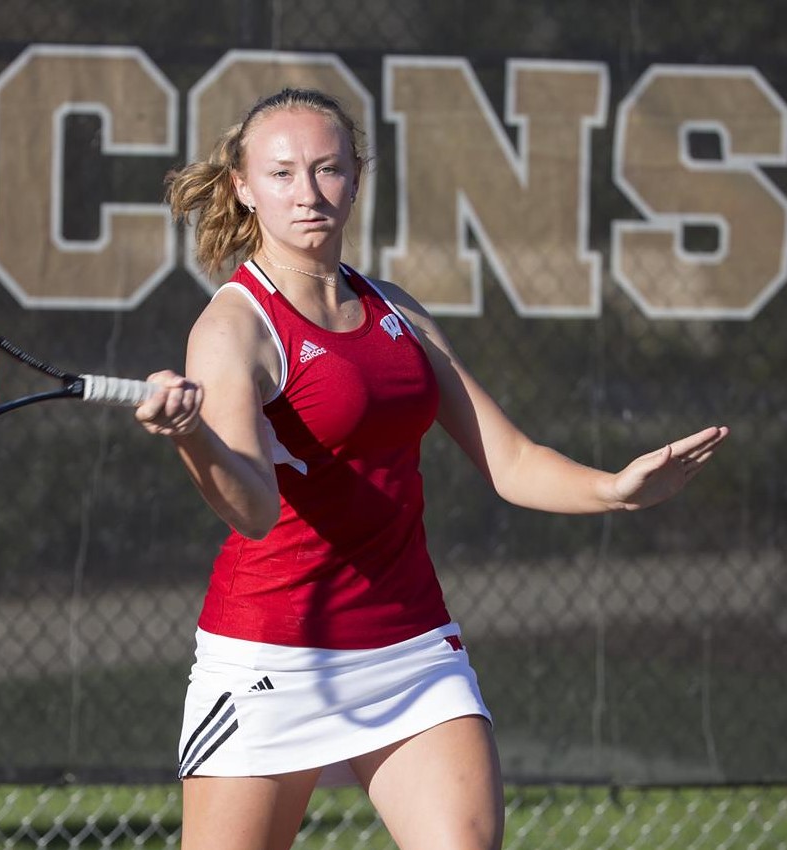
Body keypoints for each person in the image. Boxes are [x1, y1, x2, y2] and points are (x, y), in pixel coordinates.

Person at [131, 88, 728, 850]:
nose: (309, 193)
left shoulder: (396, 312)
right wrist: (192, 438)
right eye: (281, 174)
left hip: (411, 650)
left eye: (328, 169)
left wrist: (615, 490)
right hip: (270, 657)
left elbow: (509, 459)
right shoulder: (233, 325)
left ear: (356, 176)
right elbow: (252, 508)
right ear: (244, 187)